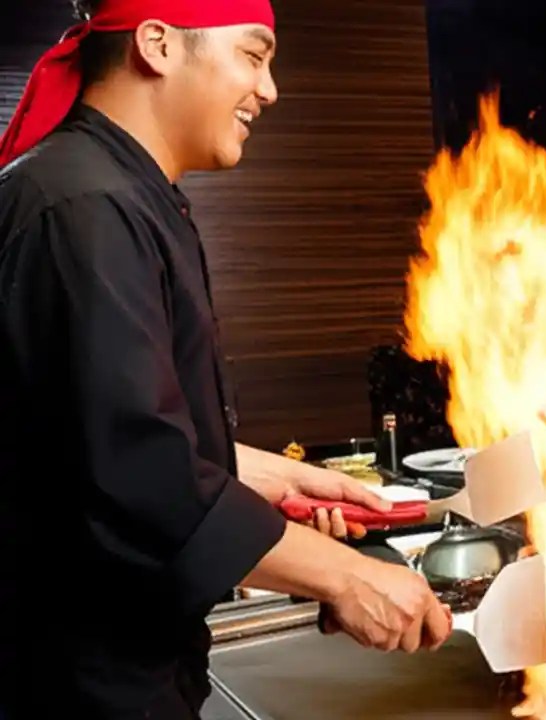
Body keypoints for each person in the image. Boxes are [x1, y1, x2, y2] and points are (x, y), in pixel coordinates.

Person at [0, 1, 451, 717]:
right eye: (254, 54)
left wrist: (280, 477)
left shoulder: (128, 193)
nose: (270, 88)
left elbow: (92, 429)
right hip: (77, 686)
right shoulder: (83, 204)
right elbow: (133, 476)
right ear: (158, 44)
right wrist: (340, 576)